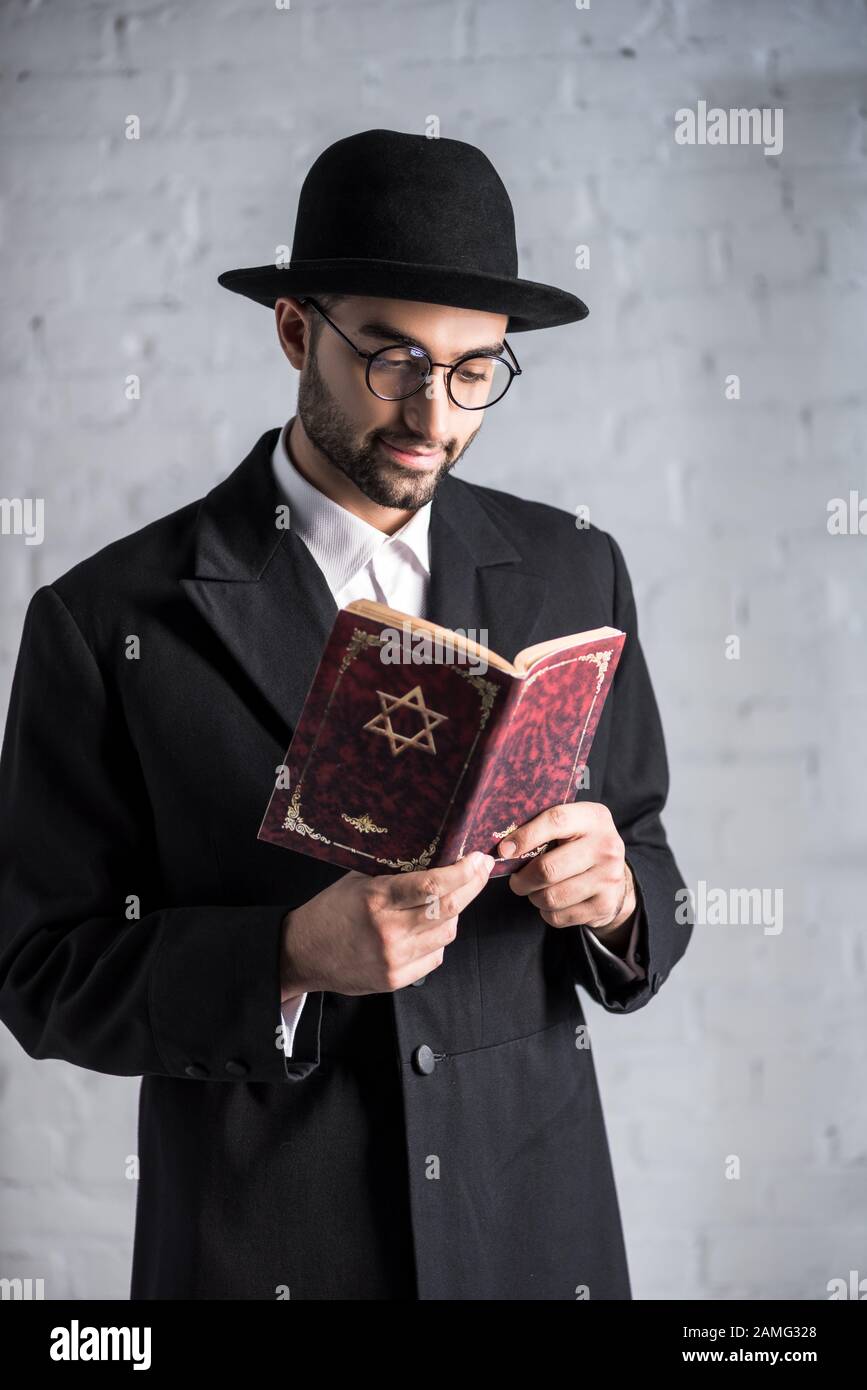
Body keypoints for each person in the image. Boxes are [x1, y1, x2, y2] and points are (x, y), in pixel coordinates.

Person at [0, 129, 691, 1300]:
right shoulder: (106, 617)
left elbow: (656, 866)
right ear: (293, 331)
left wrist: (616, 899)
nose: (435, 413)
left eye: (477, 370)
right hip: (258, 1249)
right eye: (393, 359)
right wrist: (285, 956)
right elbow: (40, 972)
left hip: (529, 1232)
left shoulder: (577, 571)